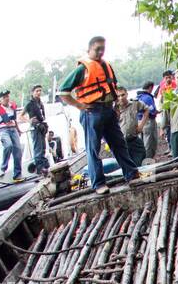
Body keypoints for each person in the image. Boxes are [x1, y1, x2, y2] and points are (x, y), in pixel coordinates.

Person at [58, 35, 140, 193]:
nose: (100, 52)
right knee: (93, 148)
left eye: (103, 49)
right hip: (92, 112)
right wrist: (79, 105)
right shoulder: (82, 69)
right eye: (97, 49)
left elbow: (112, 87)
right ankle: (98, 183)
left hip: (108, 110)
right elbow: (63, 92)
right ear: (89, 50)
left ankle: (131, 173)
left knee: (119, 142)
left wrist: (115, 105)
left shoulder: (106, 65)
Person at [0, 90, 25, 182]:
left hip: (13, 129)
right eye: (4, 97)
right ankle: (3, 168)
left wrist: (18, 130)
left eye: (7, 96)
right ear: (1, 99)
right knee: (8, 145)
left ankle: (17, 175)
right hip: (3, 130)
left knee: (18, 150)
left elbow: (14, 120)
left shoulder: (11, 108)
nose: (6, 98)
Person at [117, 93, 146, 168]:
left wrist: (141, 125)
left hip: (134, 139)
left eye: (122, 95)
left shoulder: (134, 103)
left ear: (126, 94)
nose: (121, 98)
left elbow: (146, 109)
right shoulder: (114, 109)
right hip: (122, 143)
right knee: (127, 166)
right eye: (118, 96)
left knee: (140, 163)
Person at [25, 85, 49, 174]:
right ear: (33, 92)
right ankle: (40, 169)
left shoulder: (40, 103)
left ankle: (44, 166)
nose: (39, 93)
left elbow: (42, 115)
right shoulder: (29, 104)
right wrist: (29, 120)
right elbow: (21, 116)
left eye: (40, 91)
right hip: (35, 128)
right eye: (37, 91)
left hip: (41, 126)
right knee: (38, 149)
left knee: (43, 147)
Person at [137, 81, 159, 159]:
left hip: (139, 122)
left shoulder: (138, 97)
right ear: (150, 88)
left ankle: (142, 158)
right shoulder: (148, 97)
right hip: (148, 121)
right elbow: (152, 110)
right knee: (149, 142)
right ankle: (148, 159)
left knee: (142, 142)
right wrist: (158, 111)